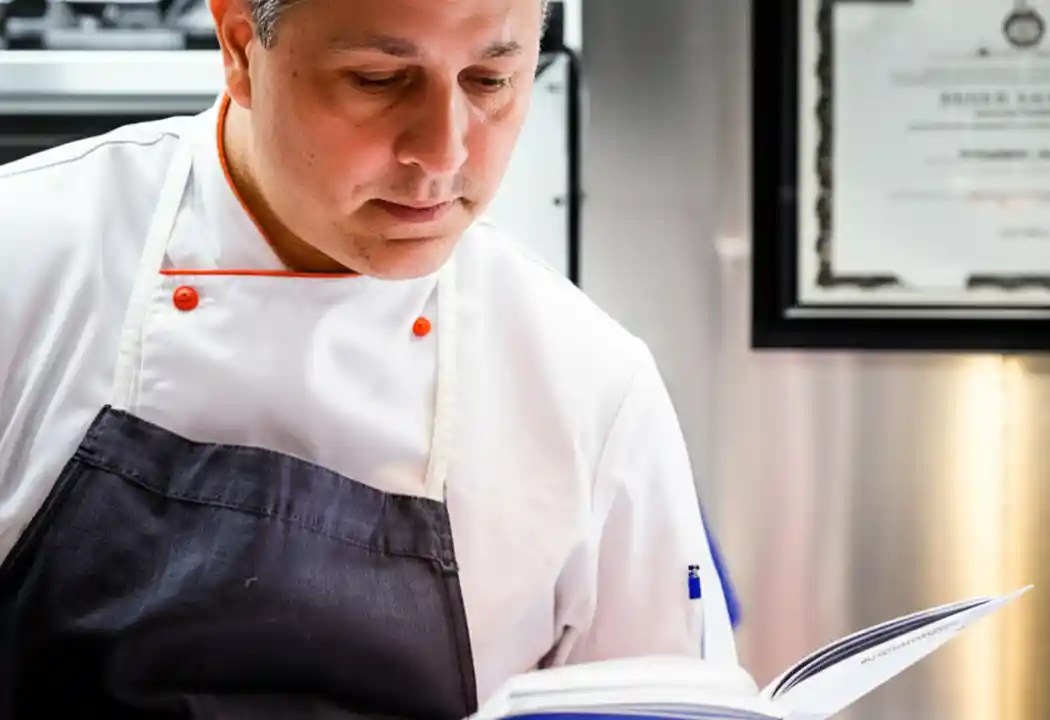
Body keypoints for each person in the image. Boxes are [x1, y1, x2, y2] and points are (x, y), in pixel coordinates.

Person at [0, 0, 737, 716]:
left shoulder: (587, 380)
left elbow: (664, 704)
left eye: (491, 82)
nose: (443, 154)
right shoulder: (25, 257)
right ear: (238, 46)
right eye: (378, 80)